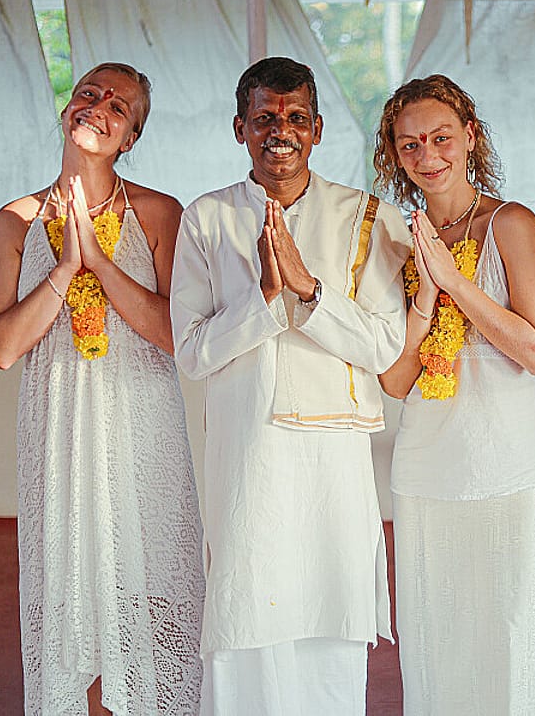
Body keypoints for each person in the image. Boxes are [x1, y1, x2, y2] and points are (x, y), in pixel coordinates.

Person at [169, 57, 411, 716]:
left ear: (319, 128)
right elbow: (191, 352)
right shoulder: (208, 219)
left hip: (333, 457)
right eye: (266, 118)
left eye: (296, 117)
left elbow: (385, 344)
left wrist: (309, 290)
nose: (282, 130)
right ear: (240, 128)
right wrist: (266, 302)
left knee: (331, 612)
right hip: (248, 453)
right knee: (247, 610)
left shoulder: (366, 216)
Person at [0, 62, 204, 715]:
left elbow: (177, 335)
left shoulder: (160, 212)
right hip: (60, 432)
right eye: (89, 93)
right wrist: (67, 269)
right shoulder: (17, 219)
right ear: (66, 110)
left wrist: (101, 265)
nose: (99, 106)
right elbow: (1, 346)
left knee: (149, 588)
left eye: (119, 105)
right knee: (71, 596)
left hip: (140, 425)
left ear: (130, 136)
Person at [374, 75, 535, 714]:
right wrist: (425, 302)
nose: (427, 155)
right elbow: (396, 381)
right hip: (428, 465)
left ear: (471, 138)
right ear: (394, 154)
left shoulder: (511, 223)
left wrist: (456, 284)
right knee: (440, 640)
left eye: (440, 138)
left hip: (512, 465)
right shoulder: (395, 238)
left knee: (517, 634)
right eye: (409, 145)